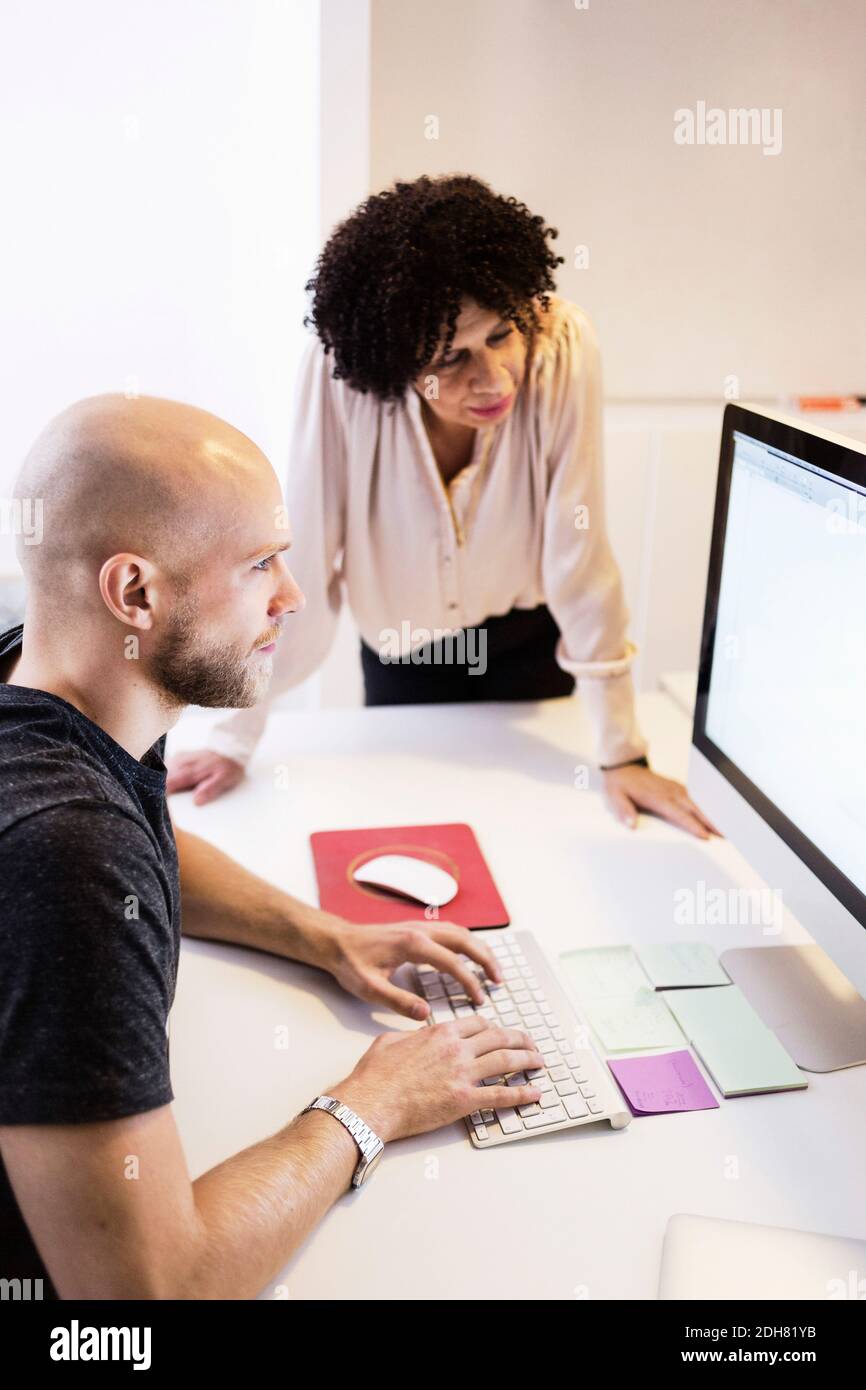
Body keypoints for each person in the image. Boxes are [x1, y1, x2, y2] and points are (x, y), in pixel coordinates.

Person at [0, 394, 545, 1300]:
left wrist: (326, 934)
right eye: (260, 564)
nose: (293, 597)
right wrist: (372, 1104)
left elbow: (142, 837)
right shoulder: (68, 856)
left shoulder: (54, 673)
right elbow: (145, 1300)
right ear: (134, 592)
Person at [168, 174, 717, 840]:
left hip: (528, 644)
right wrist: (236, 732)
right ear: (394, 363)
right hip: (404, 656)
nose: (492, 379)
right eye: (450, 357)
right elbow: (305, 552)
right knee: (417, 834)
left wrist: (622, 752)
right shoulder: (342, 374)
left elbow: (580, 553)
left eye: (502, 335)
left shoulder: (563, 347)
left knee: (537, 839)